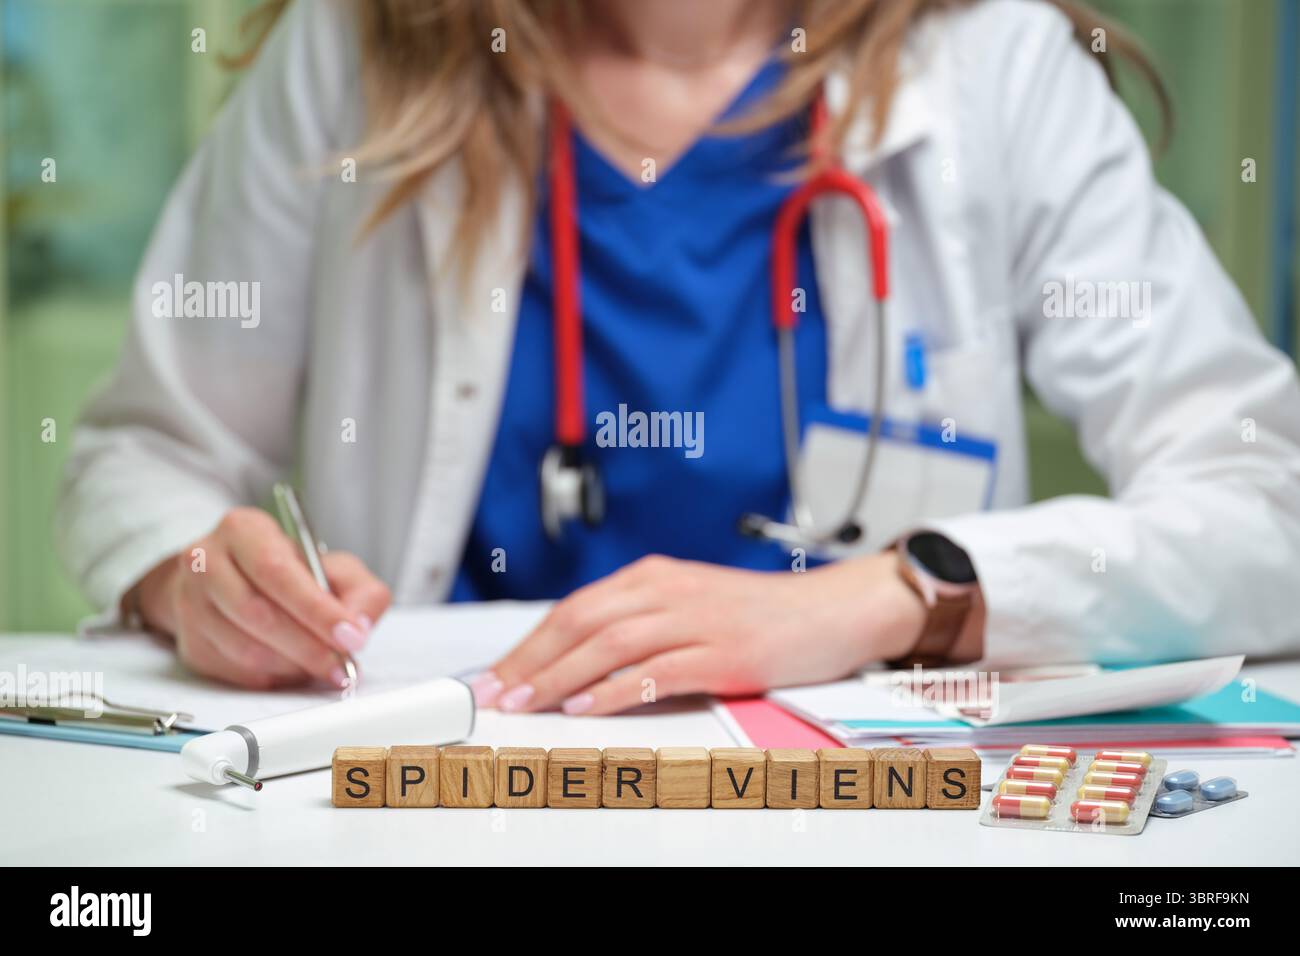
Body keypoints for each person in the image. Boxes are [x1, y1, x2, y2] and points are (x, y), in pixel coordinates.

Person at [57, 0, 1300, 715]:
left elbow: (1266, 501)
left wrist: (895, 594)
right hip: (454, 803)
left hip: (864, 824)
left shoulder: (992, 64)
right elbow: (147, 451)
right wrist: (193, 572)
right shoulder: (364, 44)